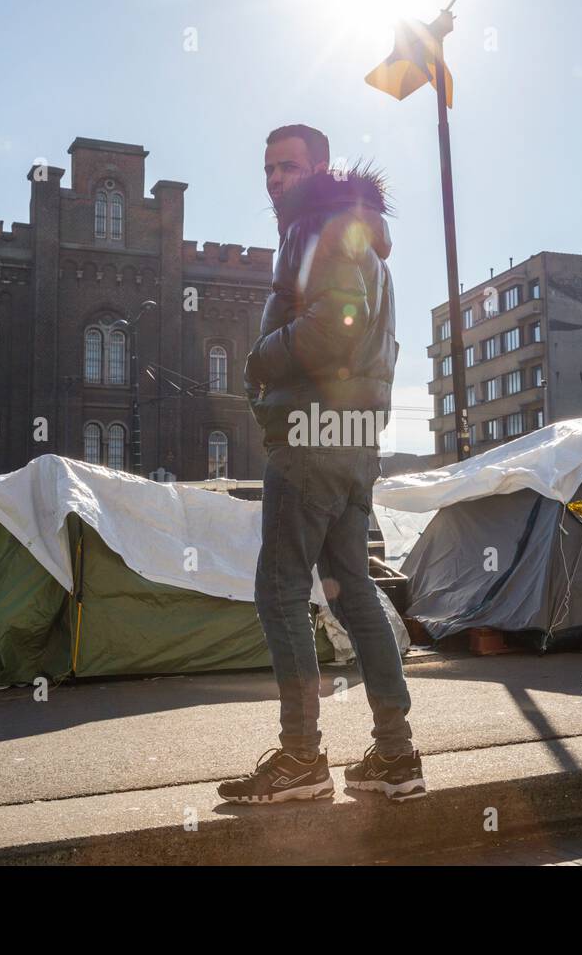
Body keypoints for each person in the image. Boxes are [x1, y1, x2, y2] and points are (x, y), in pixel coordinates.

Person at [216, 124, 424, 804]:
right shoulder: (354, 233)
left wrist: (260, 357)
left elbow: (335, 323)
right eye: (269, 167)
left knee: (278, 591)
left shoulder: (325, 228)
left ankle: (302, 758)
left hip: (313, 437)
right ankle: (396, 756)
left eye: (288, 166)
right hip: (356, 438)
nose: (275, 179)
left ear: (320, 168)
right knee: (351, 588)